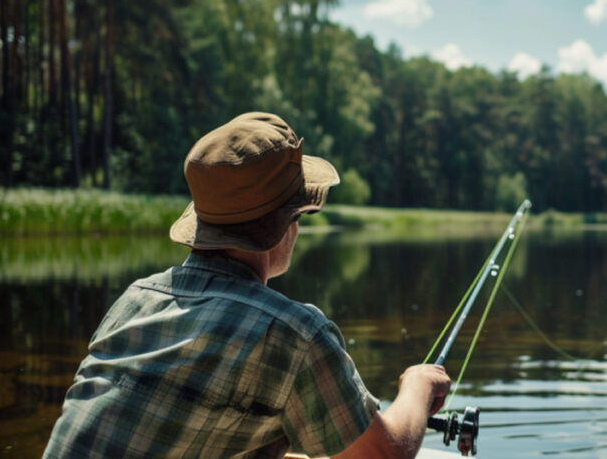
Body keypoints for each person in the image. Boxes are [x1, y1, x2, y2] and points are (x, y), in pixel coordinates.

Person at [44, 112, 451, 458]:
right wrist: (417, 384)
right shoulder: (297, 335)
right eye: (300, 217)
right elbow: (383, 456)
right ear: (284, 226)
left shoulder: (134, 300)